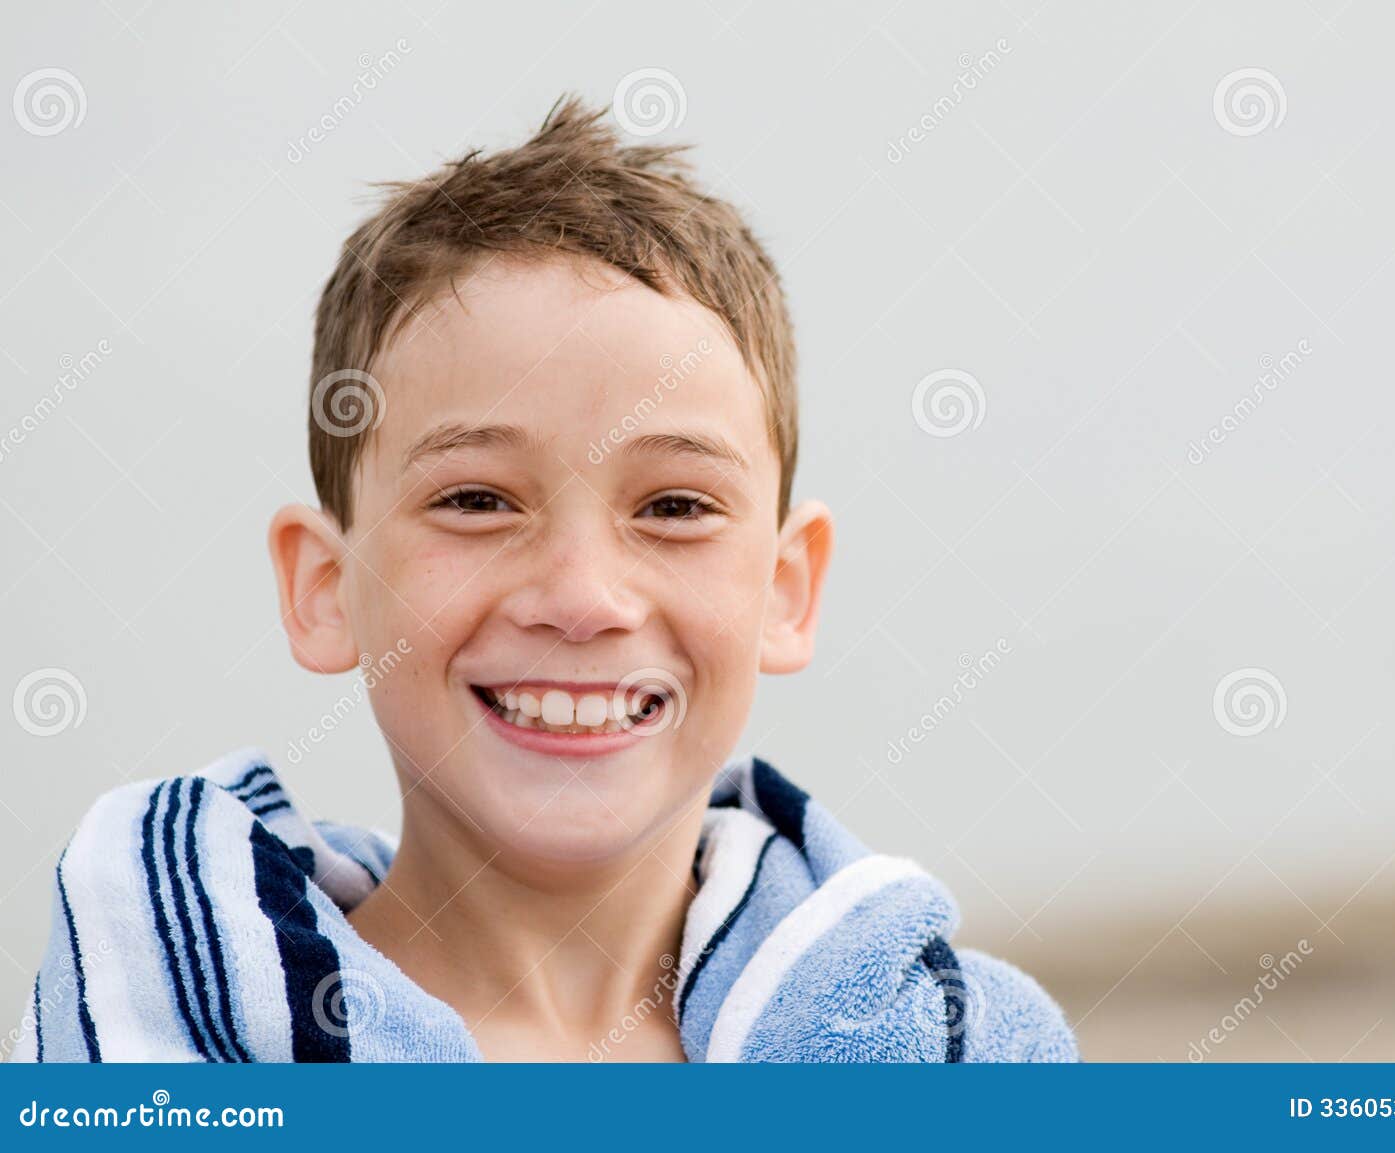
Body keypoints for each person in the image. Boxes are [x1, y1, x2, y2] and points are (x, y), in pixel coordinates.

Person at [12, 96, 1078, 1063]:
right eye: (477, 501)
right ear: (324, 588)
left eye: (674, 508)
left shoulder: (967, 1062)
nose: (581, 598)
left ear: (787, 588)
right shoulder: (164, 1035)